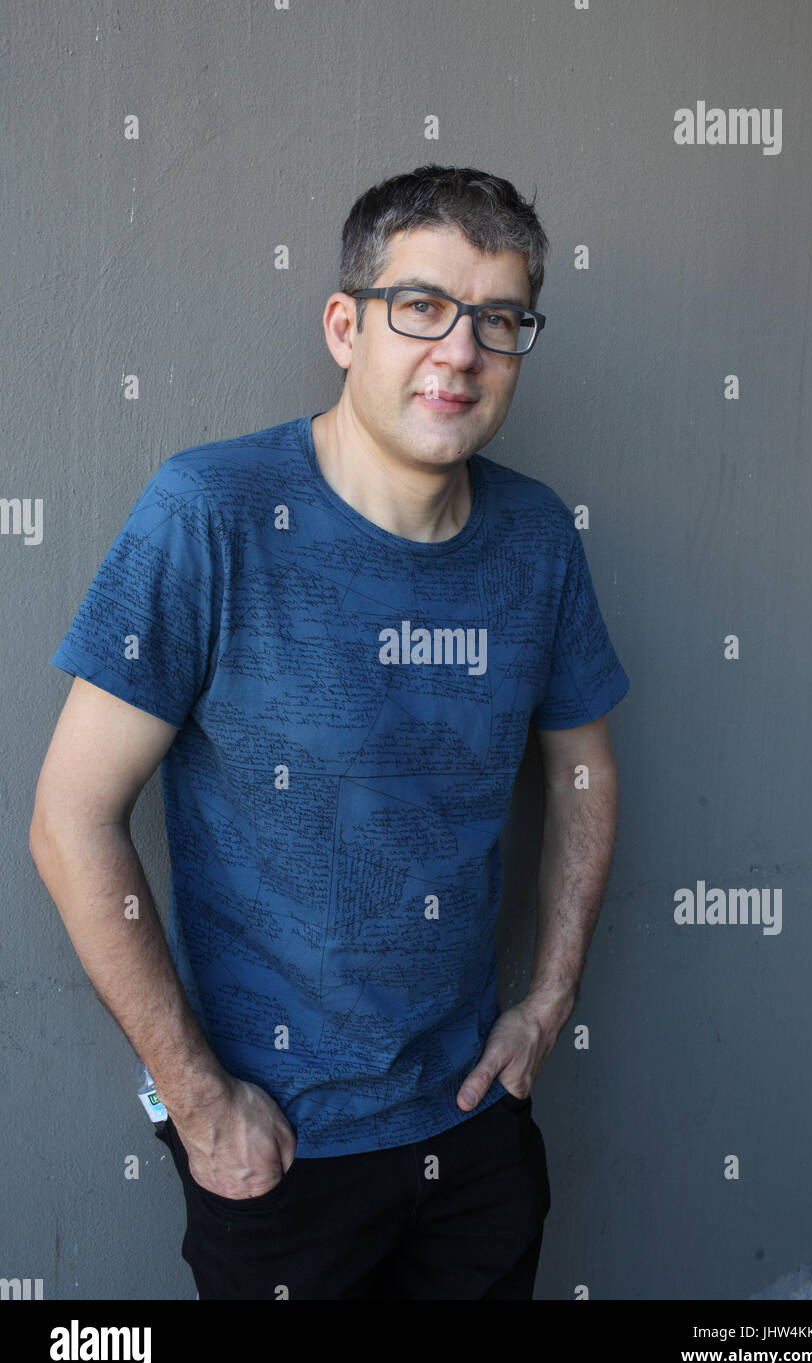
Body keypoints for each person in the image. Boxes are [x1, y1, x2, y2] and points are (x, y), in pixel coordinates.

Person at [29, 164, 629, 1300]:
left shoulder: (539, 537)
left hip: (476, 1135)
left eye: (498, 321)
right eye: (422, 308)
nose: (459, 351)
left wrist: (549, 999)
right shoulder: (208, 513)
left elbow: (585, 772)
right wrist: (200, 1102)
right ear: (344, 325)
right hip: (283, 1158)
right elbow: (69, 821)